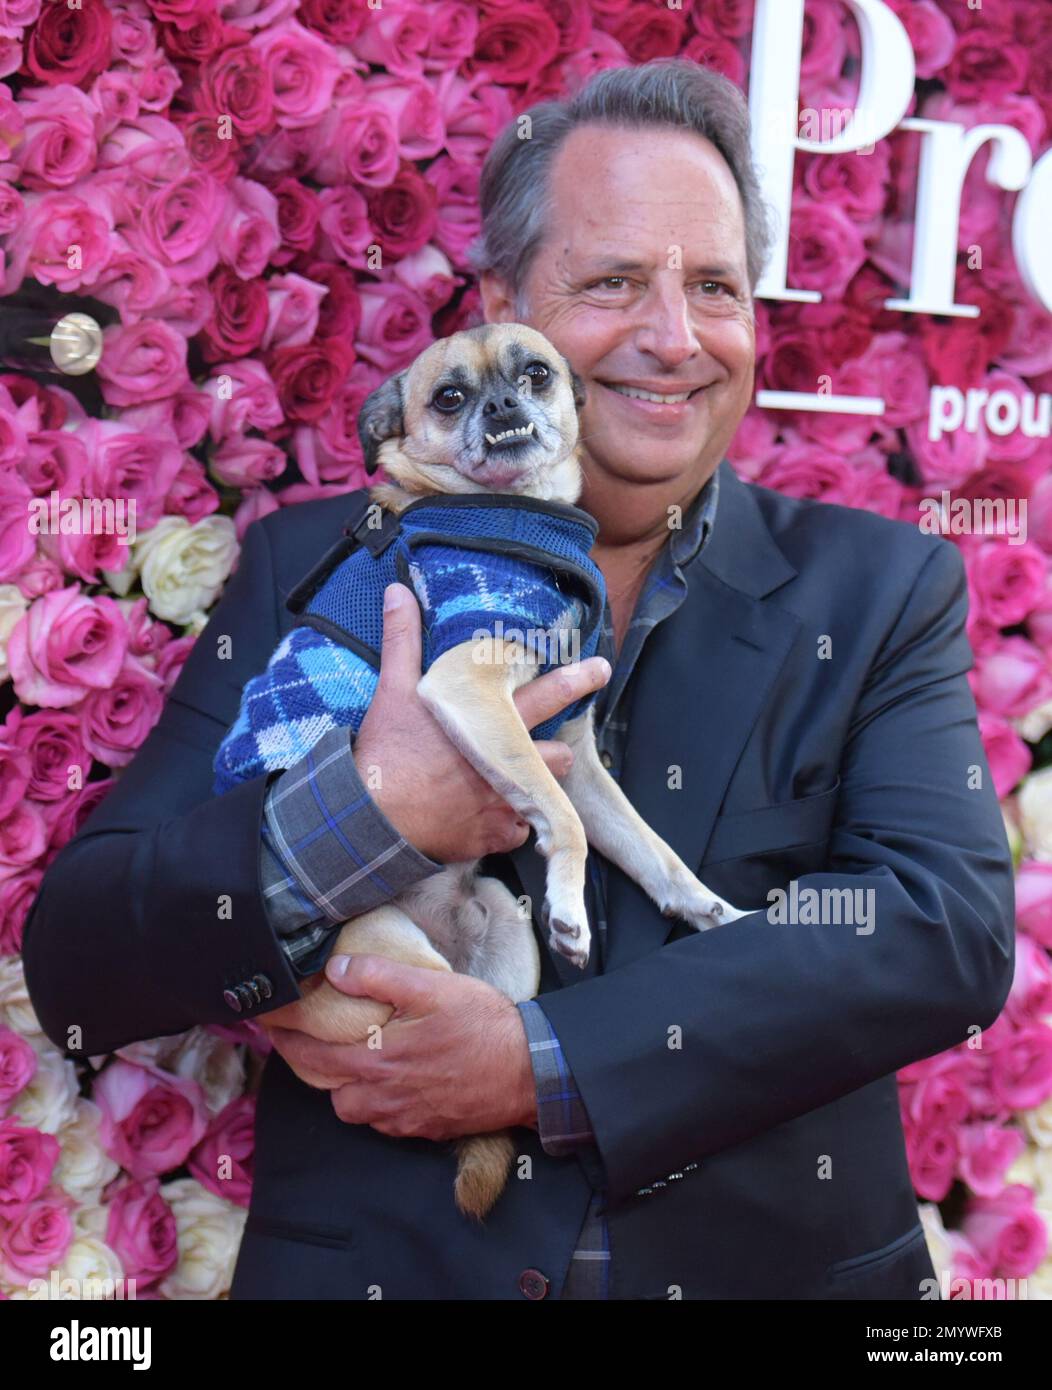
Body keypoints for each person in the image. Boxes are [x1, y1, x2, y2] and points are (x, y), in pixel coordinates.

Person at [22, 59, 1014, 1301]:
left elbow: (937, 932)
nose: (673, 336)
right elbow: (81, 956)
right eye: (611, 283)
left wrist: (545, 1060)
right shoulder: (320, 568)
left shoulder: (875, 592)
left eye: (712, 286)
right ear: (500, 308)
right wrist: (370, 812)